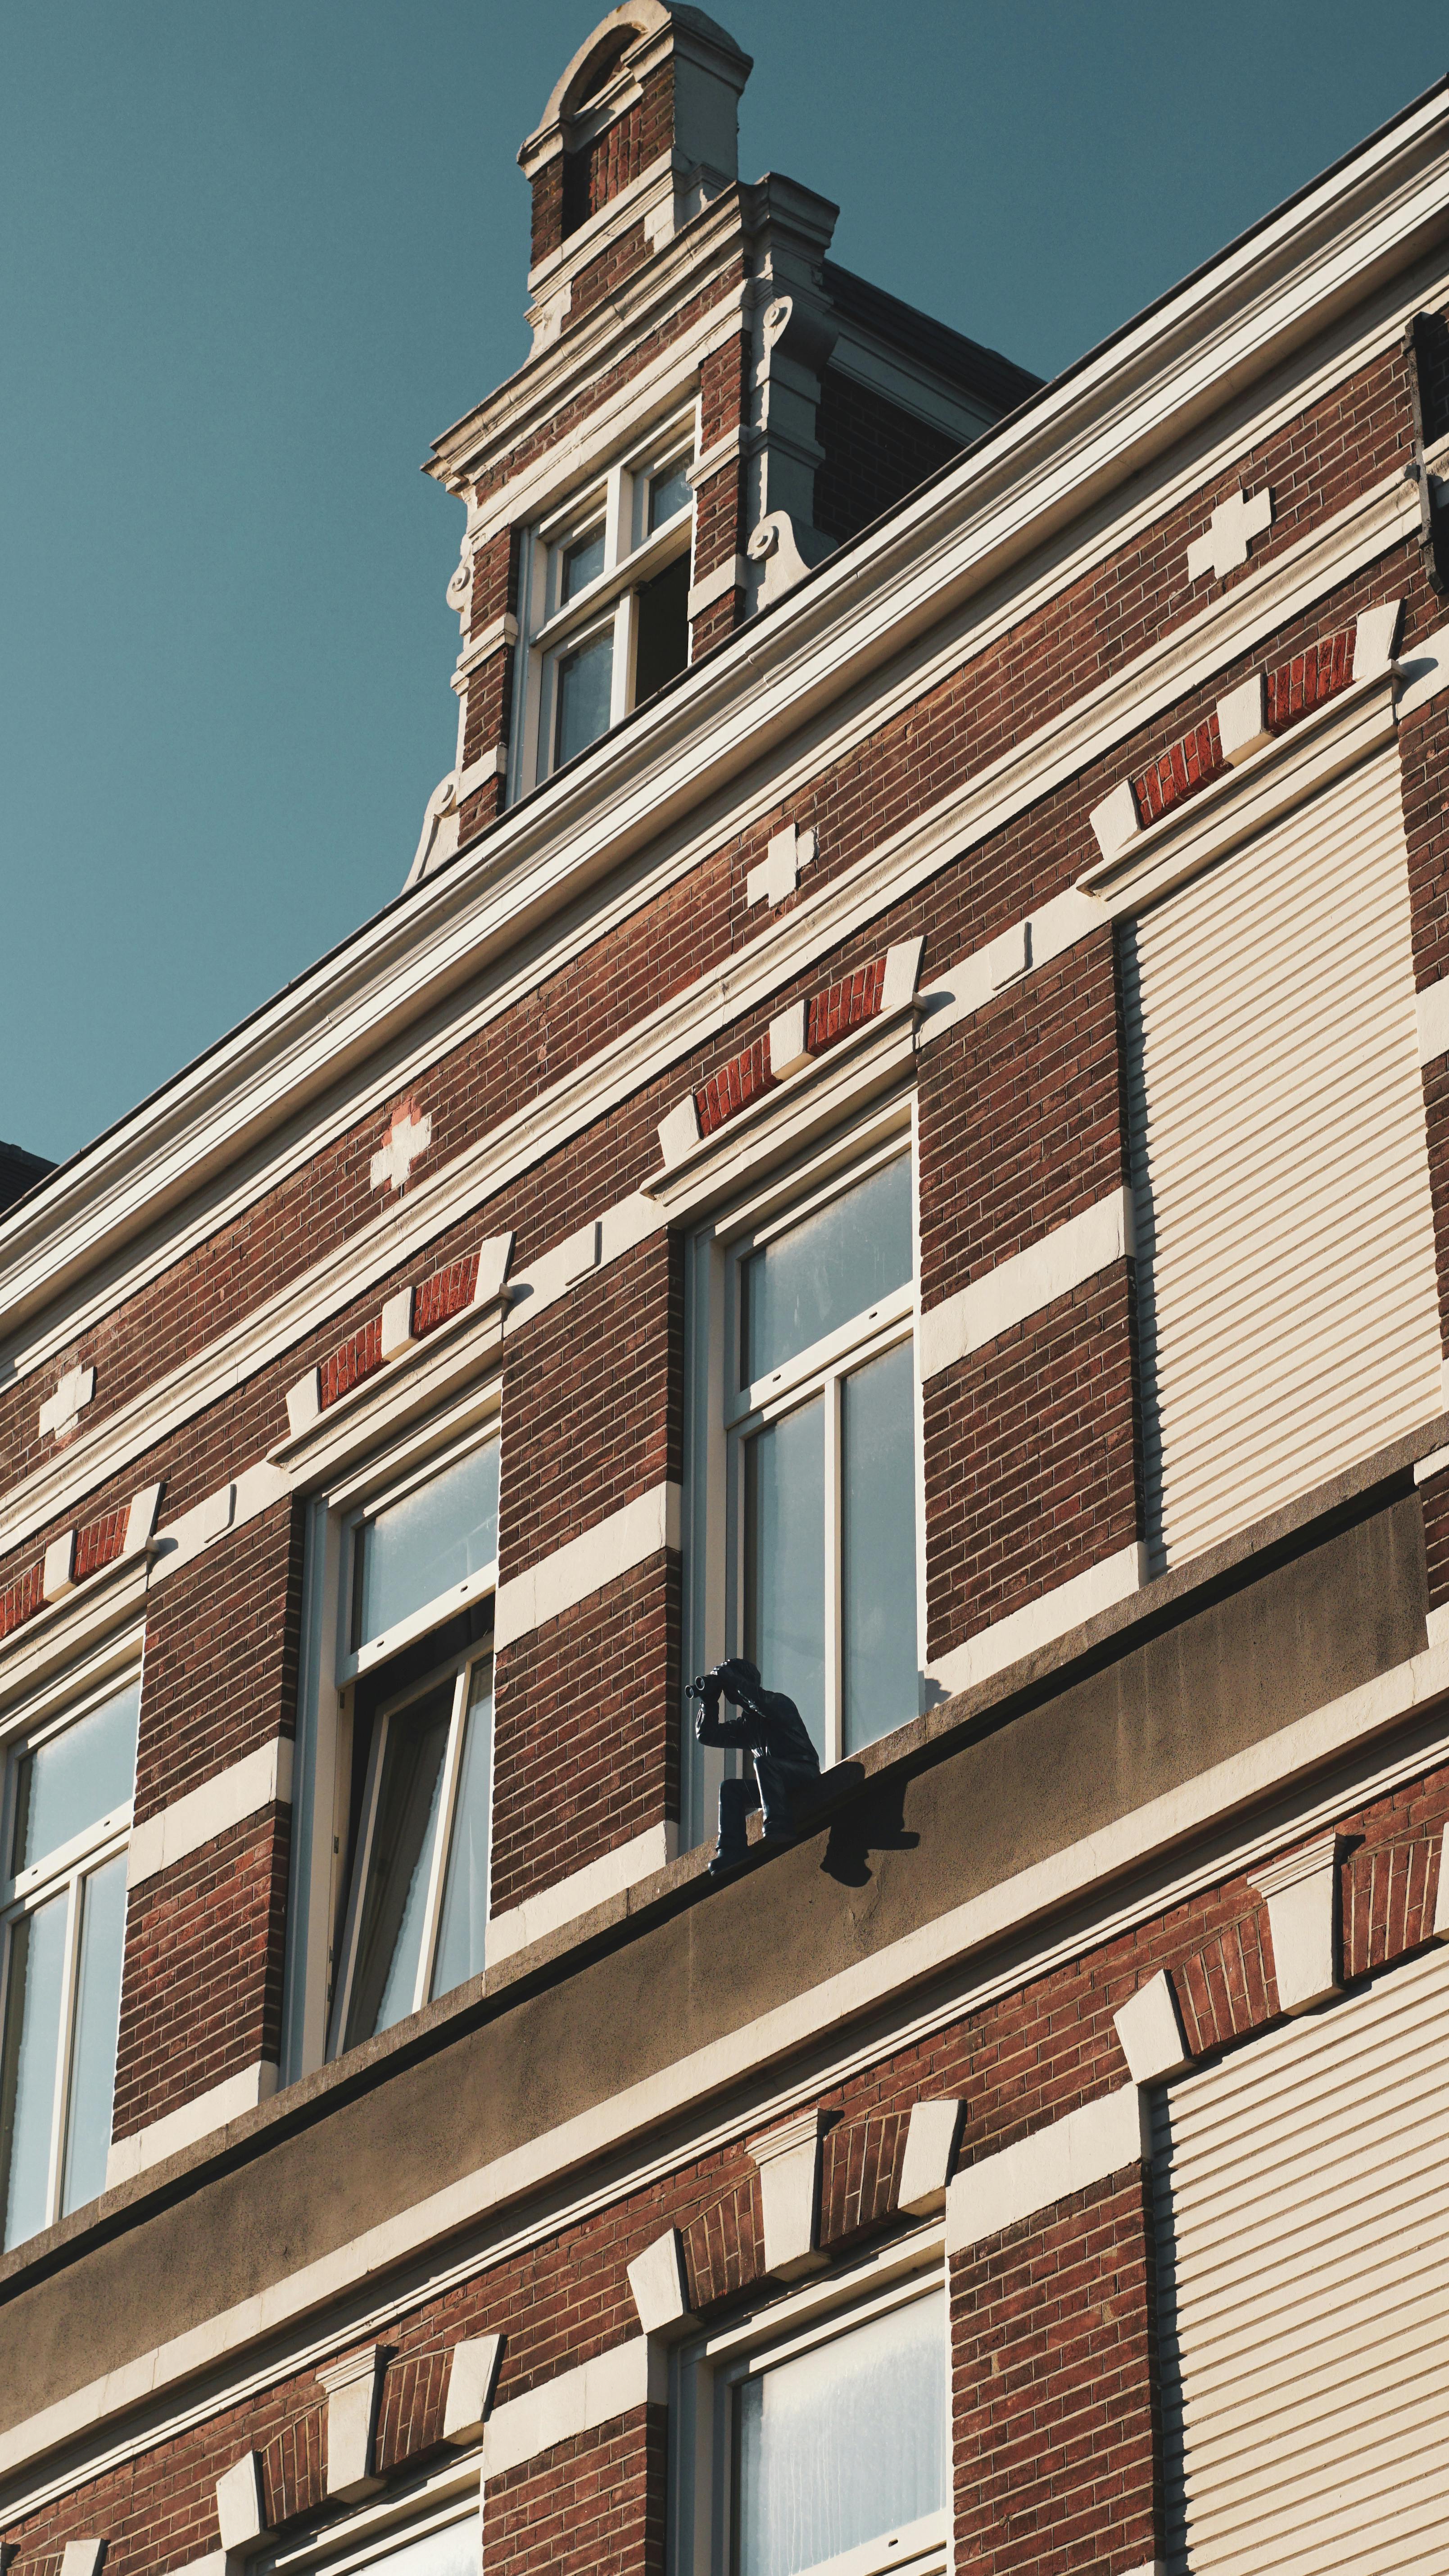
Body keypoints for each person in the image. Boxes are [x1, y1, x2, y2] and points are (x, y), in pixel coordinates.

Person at [689, 1657, 821, 1877]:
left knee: (764, 1764)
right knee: (730, 1789)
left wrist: (733, 1679)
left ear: (744, 1681)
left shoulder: (779, 1703)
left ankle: (778, 1823)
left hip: (802, 1773)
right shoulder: (747, 1726)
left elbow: (760, 1703)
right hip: (775, 1784)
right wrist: (708, 1702)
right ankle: (731, 1850)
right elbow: (708, 1735)